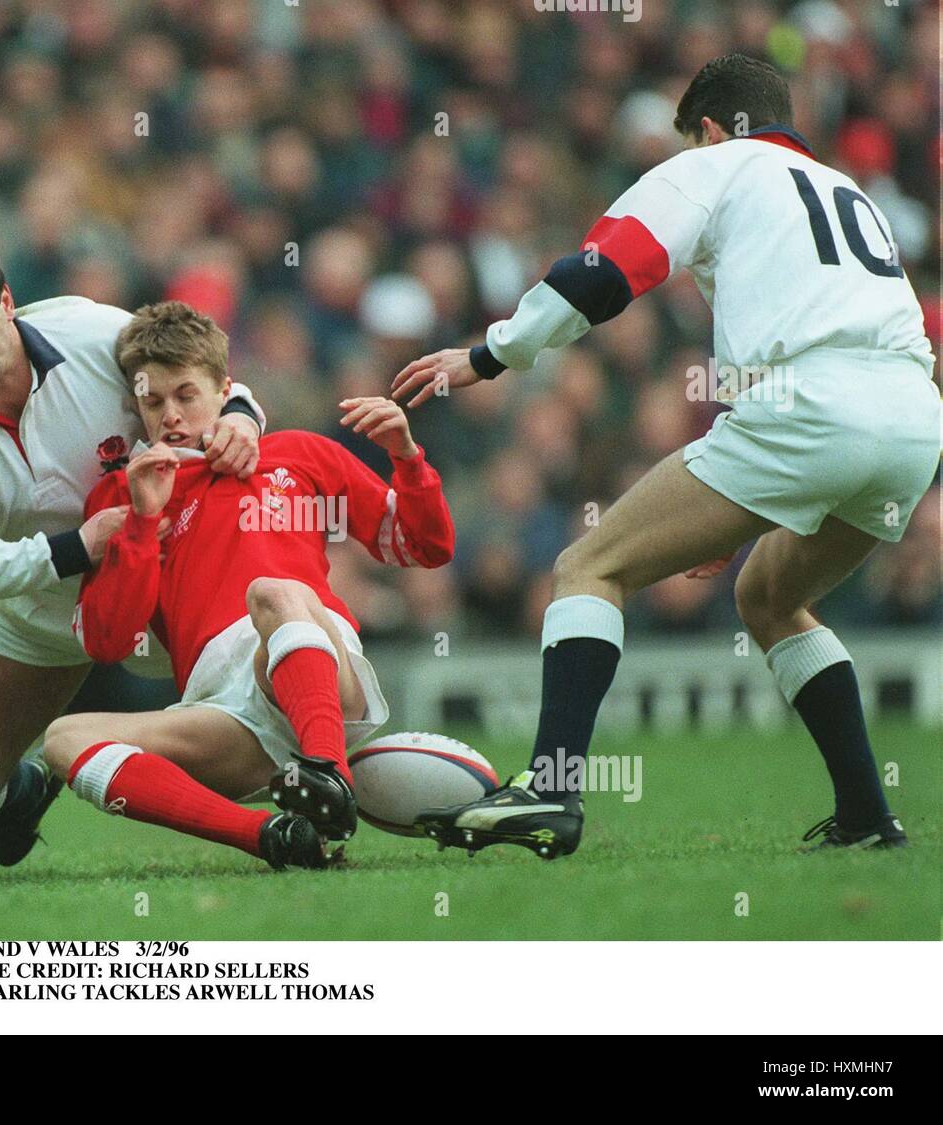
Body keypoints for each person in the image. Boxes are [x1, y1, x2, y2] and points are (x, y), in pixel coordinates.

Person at [391, 54, 939, 858]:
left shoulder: (717, 165)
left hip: (809, 407)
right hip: (912, 420)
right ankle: (864, 814)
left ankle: (549, 789)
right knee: (771, 596)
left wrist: (491, 354)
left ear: (711, 129)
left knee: (588, 567)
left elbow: (604, 272)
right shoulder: (850, 190)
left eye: (692, 140)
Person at [0, 235, 266, 865]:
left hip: (172, 580)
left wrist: (244, 417)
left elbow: (204, 376)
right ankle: (27, 790)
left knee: (246, 757)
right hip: (44, 609)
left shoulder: (90, 332)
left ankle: (324, 774)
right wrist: (76, 549)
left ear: (6, 302)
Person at [42, 301, 455, 869]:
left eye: (186, 394)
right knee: (62, 739)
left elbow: (423, 545)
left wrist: (406, 458)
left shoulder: (298, 453)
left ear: (225, 390)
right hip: (224, 716)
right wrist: (141, 524)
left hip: (316, 666)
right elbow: (108, 643)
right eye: (152, 400)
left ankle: (326, 775)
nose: (171, 416)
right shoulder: (123, 496)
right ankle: (269, 836)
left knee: (273, 592)